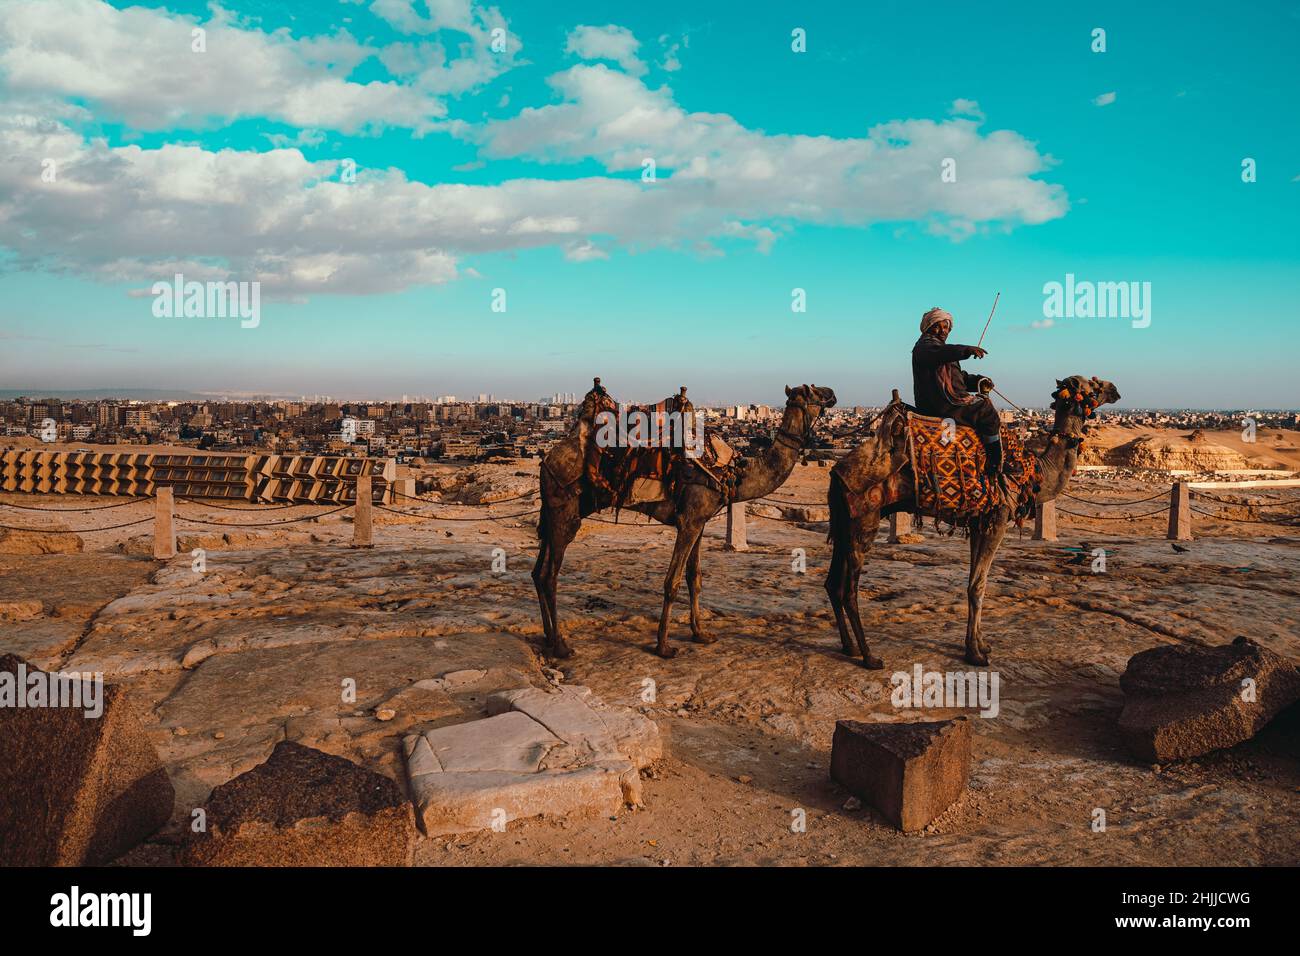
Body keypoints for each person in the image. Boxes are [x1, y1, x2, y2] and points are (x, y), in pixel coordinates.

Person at [911, 306, 1005, 482]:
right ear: (929, 327)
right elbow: (941, 353)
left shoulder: (941, 353)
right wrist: (965, 350)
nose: (942, 331)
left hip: (946, 401)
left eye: (946, 327)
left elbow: (958, 378)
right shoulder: (925, 347)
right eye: (938, 326)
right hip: (941, 404)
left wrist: (979, 381)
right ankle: (994, 464)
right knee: (987, 412)